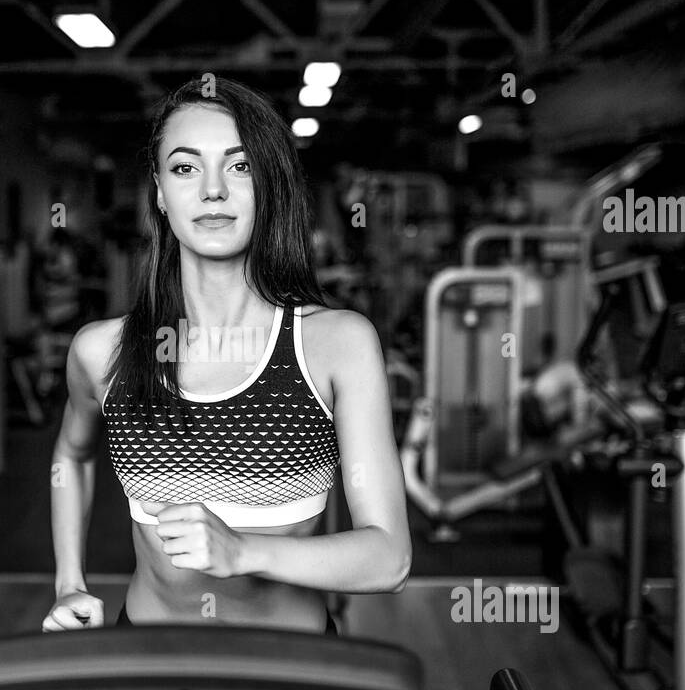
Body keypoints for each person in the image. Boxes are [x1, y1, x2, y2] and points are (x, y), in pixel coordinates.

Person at [43, 77, 411, 636]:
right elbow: (71, 458)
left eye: (239, 167)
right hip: (146, 656)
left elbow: (389, 558)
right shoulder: (104, 353)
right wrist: (69, 581)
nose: (213, 190)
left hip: (291, 673)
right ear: (160, 194)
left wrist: (242, 551)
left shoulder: (336, 344)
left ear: (270, 186)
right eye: (186, 168)